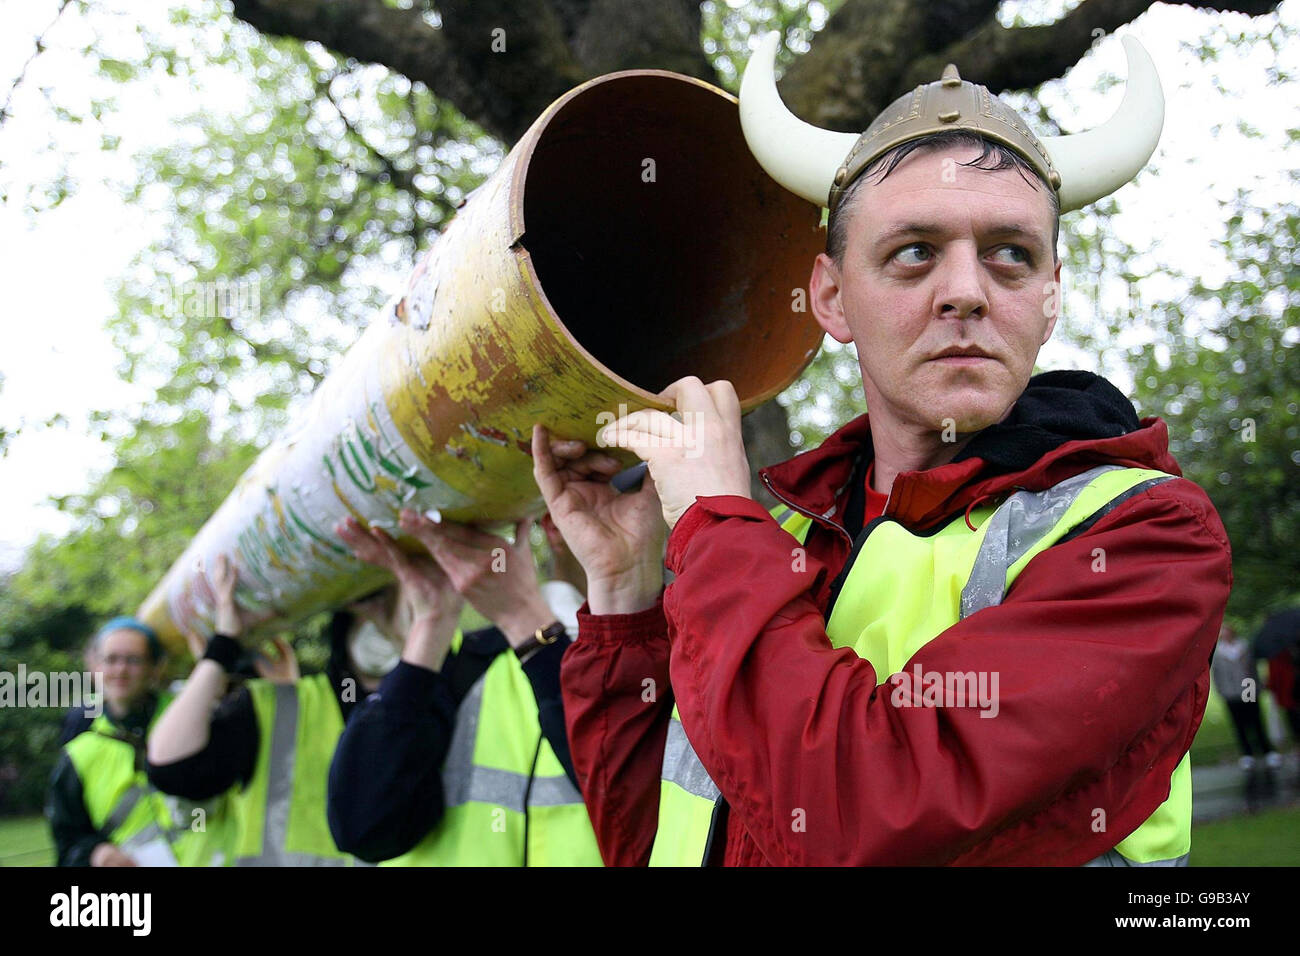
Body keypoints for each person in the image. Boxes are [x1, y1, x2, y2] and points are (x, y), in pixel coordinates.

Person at [531, 34, 1232, 866]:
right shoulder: (777, 542)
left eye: (1011, 253)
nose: (967, 292)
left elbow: (861, 816)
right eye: (914, 254)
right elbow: (656, 835)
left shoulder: (1148, 536)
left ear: (1049, 300)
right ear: (829, 297)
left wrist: (715, 525)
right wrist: (627, 588)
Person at [327, 509, 602, 866]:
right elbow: (364, 828)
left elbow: (635, 805)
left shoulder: (671, 662)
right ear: (552, 526)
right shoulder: (467, 663)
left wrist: (524, 618)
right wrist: (433, 620)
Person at [146, 554, 386, 866]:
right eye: (370, 605)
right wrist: (221, 650)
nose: (383, 620)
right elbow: (171, 767)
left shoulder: (451, 689)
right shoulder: (278, 708)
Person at [47, 618, 230, 866]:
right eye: (111, 659)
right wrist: (97, 854)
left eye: (133, 660)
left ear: (156, 667)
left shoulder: (196, 715)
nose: (121, 670)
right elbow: (68, 842)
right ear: (96, 668)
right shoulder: (78, 756)